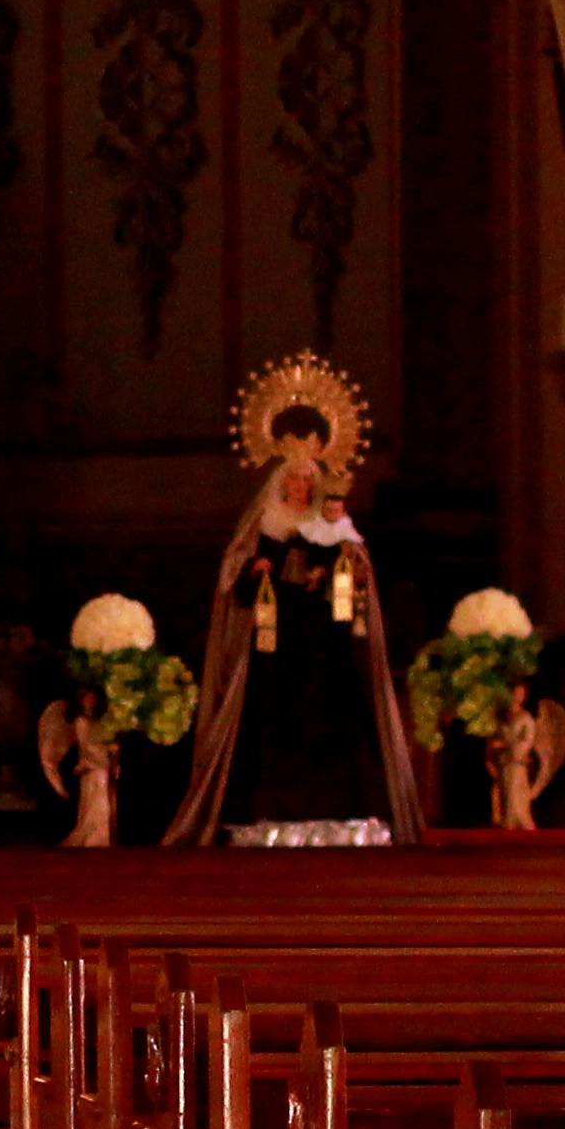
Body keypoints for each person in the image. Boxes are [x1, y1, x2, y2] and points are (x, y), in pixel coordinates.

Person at [161, 352, 427, 846]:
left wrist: (335, 571)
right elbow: (234, 584)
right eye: (293, 481)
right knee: (271, 731)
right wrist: (257, 571)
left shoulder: (334, 528)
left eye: (308, 481)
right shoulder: (265, 527)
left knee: (338, 727)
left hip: (327, 650)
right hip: (276, 653)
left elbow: (361, 577)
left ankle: (348, 818)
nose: (301, 488)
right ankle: (265, 816)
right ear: (280, 484)